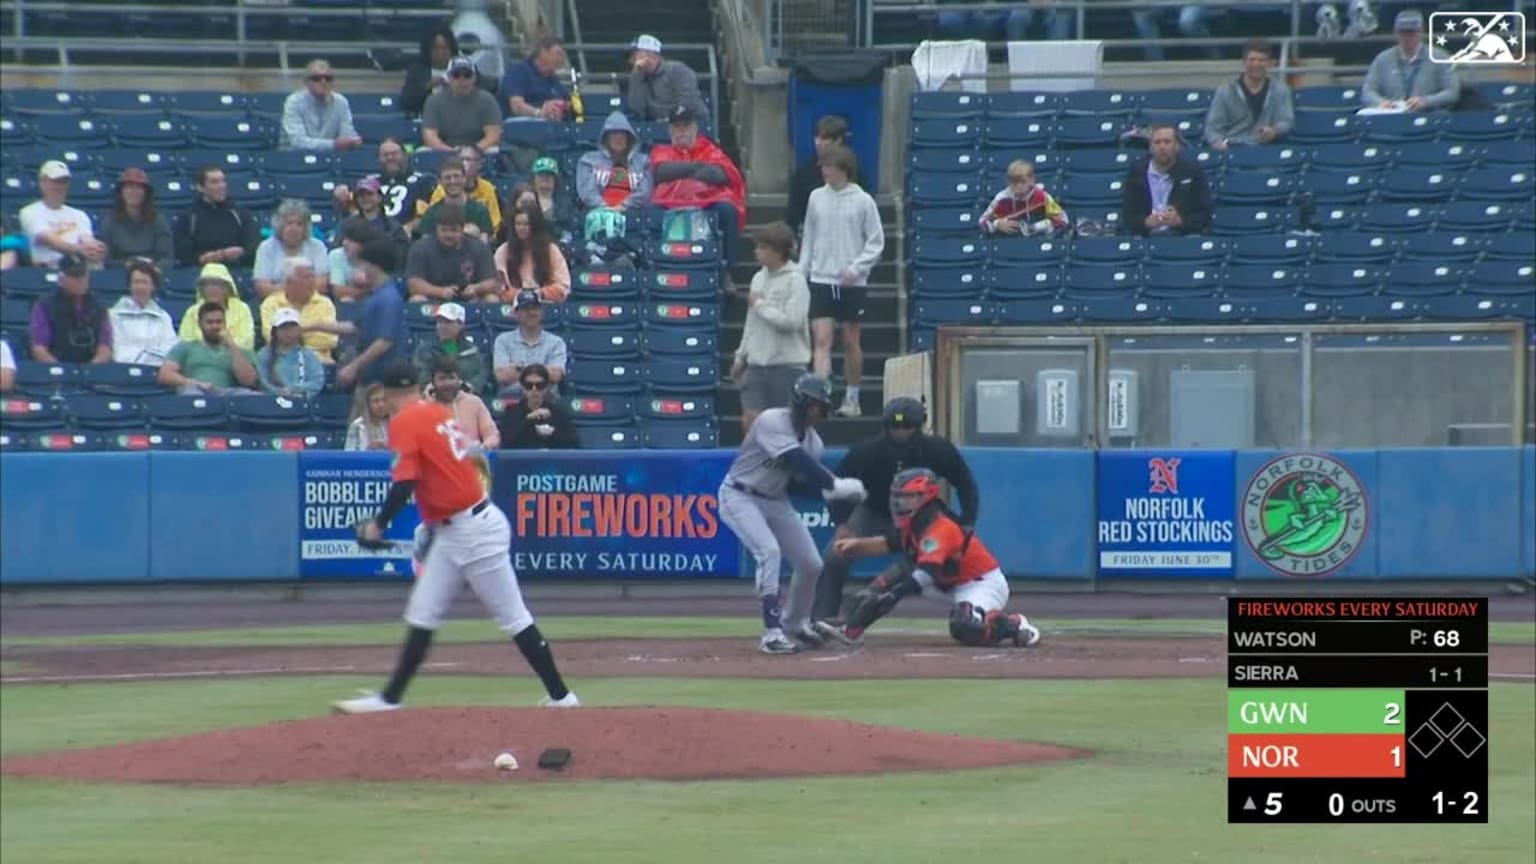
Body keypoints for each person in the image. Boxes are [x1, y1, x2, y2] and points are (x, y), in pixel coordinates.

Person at [332, 361, 580, 713]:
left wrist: (379, 524)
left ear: (385, 396)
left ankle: (562, 696)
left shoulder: (404, 421)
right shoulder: (433, 411)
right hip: (458, 526)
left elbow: (405, 483)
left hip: (472, 530)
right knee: (424, 611)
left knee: (513, 617)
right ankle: (389, 699)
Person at [716, 374, 867, 655]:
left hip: (775, 499)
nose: (819, 411)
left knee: (811, 563)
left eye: (821, 405)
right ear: (802, 403)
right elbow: (796, 460)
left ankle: (795, 623)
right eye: (815, 404)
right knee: (769, 552)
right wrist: (834, 484)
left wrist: (832, 495)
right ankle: (772, 634)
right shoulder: (772, 420)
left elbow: (800, 483)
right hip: (739, 495)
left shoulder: (814, 443)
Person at [818, 468, 1041, 650]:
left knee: (964, 626)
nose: (900, 503)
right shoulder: (914, 523)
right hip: (947, 582)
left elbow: (925, 575)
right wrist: (857, 547)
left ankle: (1013, 624)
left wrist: (892, 595)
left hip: (980, 583)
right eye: (899, 497)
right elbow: (890, 543)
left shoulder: (941, 528)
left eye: (908, 497)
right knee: (893, 577)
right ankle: (853, 629)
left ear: (926, 497)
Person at [811, 398, 980, 624]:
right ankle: (822, 619)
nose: (900, 432)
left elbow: (965, 484)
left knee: (955, 556)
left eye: (907, 427)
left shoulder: (938, 449)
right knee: (834, 555)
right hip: (875, 512)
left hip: (924, 517)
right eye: (895, 427)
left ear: (920, 426)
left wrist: (966, 522)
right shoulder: (866, 451)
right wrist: (841, 524)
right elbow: (835, 488)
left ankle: (973, 607)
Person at [799, 144, 885, 418]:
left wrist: (857, 268)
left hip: (852, 283)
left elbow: (876, 242)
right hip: (821, 279)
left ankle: (852, 398)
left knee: (850, 340)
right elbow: (809, 238)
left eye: (829, 167)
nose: (825, 172)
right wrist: (803, 271)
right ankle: (820, 397)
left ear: (843, 169)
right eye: (823, 167)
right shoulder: (815, 197)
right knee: (821, 340)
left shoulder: (863, 201)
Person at [730, 222, 810, 436]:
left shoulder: (797, 281)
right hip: (756, 365)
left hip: (787, 366)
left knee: (785, 426)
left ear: (779, 251)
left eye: (763, 248)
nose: (757, 252)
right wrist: (740, 357)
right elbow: (751, 323)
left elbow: (792, 321)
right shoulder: (757, 278)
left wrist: (760, 306)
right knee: (750, 420)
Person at [649, 106, 746, 269]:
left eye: (686, 126)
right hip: (669, 200)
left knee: (728, 210)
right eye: (677, 127)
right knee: (651, 211)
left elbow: (722, 175)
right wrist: (699, 168)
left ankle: (728, 271)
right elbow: (661, 172)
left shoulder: (710, 149)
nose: (682, 131)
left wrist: (681, 170)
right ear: (670, 131)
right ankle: (656, 266)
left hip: (708, 199)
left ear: (695, 128)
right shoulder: (662, 151)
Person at [1120, 124, 1213, 237]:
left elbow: (1204, 213)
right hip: (1145, 235)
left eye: (1167, 142)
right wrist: (1145, 222)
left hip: (1181, 235)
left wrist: (1180, 221)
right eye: (1157, 142)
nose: (1162, 147)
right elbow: (1128, 214)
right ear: (1150, 147)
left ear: (1177, 146)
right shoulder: (1137, 172)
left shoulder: (1192, 171)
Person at [336, 239, 407, 389]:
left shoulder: (389, 298)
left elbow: (384, 342)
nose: (361, 270)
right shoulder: (375, 295)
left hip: (384, 380)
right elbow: (353, 327)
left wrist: (353, 366)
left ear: (374, 267)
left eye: (363, 265)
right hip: (369, 376)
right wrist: (312, 326)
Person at [1204, 40, 1296, 150]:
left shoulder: (1280, 90)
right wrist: (1218, 143)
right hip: (1233, 146)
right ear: (1244, 63)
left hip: (1267, 148)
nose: (1256, 64)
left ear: (1269, 63)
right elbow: (1213, 128)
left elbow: (1286, 121)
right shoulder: (1225, 91)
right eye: (1252, 60)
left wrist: (1274, 131)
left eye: (1261, 60)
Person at [1362, 10, 1459, 112]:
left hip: (1429, 115)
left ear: (1421, 32)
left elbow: (1452, 92)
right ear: (1395, 33)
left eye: (1412, 32)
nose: (1407, 37)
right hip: (1392, 115)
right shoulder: (1382, 59)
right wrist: (1380, 102)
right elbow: (1368, 91)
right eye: (1403, 33)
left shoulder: (1439, 57)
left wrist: (1426, 101)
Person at [334, 139, 433, 236]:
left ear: (405, 155)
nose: (390, 158)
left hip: (403, 238)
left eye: (394, 153)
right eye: (385, 155)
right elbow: (352, 210)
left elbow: (426, 215)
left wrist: (408, 228)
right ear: (378, 159)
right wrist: (341, 198)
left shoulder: (424, 180)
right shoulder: (368, 181)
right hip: (367, 235)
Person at [158, 301, 260, 395]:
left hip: (227, 393)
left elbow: (249, 381)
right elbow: (165, 375)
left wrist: (232, 346)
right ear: (200, 324)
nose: (215, 326)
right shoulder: (186, 347)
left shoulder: (240, 351)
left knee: (253, 397)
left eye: (219, 322)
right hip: (195, 390)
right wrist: (194, 383)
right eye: (209, 322)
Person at [18, 161, 106, 269]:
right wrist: (79, 250)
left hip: (78, 267)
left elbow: (87, 238)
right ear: (42, 183)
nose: (59, 186)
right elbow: (47, 240)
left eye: (63, 182)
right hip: (48, 267)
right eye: (55, 181)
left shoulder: (79, 215)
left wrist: (95, 248)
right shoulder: (29, 212)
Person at [406, 202, 499, 303]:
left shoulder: (479, 247)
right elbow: (413, 284)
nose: (449, 234)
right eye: (444, 230)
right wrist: (440, 292)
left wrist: (477, 288)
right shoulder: (420, 248)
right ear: (436, 228)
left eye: (454, 230)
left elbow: (493, 282)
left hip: (470, 299)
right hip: (434, 298)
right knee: (417, 299)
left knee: (492, 299)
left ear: (462, 229)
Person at [28, 254, 111, 363]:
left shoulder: (98, 306)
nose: (80, 280)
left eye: (82, 275)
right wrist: (61, 370)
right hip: (57, 368)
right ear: (61, 278)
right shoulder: (45, 306)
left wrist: (92, 369)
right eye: (74, 276)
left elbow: (104, 345)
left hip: (93, 369)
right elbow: (39, 348)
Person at [260, 256, 343, 364]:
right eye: (306, 277)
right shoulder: (271, 303)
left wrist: (291, 336)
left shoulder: (324, 303)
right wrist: (309, 334)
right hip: (283, 362)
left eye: (313, 276)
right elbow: (271, 337)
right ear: (289, 282)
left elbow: (330, 340)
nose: (312, 281)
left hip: (320, 362)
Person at [174, 165, 260, 267]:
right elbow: (183, 253)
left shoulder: (240, 213)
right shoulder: (188, 217)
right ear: (200, 187)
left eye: (223, 181)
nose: (221, 186)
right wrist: (202, 259)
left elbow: (253, 243)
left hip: (237, 269)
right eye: (214, 182)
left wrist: (242, 252)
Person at [492, 290, 567, 397]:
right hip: (511, 401)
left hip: (547, 401)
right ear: (516, 314)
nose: (531, 313)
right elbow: (502, 376)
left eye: (535, 308)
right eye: (526, 309)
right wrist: (542, 372)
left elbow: (556, 375)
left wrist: (519, 369)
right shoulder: (503, 340)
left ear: (541, 312)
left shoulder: (556, 342)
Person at [97, 168, 174, 271]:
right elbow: (105, 260)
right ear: (121, 192)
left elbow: (167, 258)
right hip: (120, 272)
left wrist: (151, 268)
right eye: (129, 187)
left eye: (138, 188)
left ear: (146, 193)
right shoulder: (109, 222)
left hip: (152, 273)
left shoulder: (158, 220)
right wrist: (126, 264)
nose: (134, 192)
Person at [576, 110, 652, 213]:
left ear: (629, 138)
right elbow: (588, 192)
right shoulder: (588, 160)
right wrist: (604, 208)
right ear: (606, 138)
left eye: (622, 134)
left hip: (633, 214)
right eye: (614, 133)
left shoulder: (643, 162)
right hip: (598, 214)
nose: (618, 138)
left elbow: (644, 192)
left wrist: (624, 206)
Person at [494, 203, 570, 303]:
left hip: (545, 304)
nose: (522, 228)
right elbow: (500, 288)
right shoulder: (503, 251)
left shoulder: (551, 250)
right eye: (518, 224)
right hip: (513, 305)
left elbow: (563, 287)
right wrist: (521, 295)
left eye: (526, 224)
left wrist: (539, 293)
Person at [422, 57, 502, 153]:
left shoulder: (487, 100)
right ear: (448, 78)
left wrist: (470, 151)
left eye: (467, 75)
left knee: (493, 150)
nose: (462, 79)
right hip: (444, 152)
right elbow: (430, 137)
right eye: (456, 75)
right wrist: (451, 152)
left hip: (479, 151)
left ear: (474, 78)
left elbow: (493, 136)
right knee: (423, 151)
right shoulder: (434, 101)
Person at [253, 199, 330, 298]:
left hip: (311, 301)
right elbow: (262, 287)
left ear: (306, 228)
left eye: (299, 224)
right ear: (280, 225)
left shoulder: (317, 246)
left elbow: (321, 284)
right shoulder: (266, 247)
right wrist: (297, 290)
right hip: (275, 303)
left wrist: (290, 290)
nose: (294, 228)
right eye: (289, 223)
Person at [419, 146, 502, 237]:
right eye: (447, 177)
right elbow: (425, 246)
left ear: (464, 178)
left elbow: (484, 244)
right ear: (440, 181)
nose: (452, 181)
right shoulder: (431, 213)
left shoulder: (480, 211)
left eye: (456, 176)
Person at [108, 258, 178, 366]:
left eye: (145, 282)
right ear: (129, 285)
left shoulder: (163, 317)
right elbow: (117, 348)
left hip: (157, 371)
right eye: (136, 282)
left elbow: (170, 348)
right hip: (123, 370)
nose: (140, 287)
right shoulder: (113, 315)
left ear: (153, 286)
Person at [281, 59, 362, 151]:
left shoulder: (341, 102)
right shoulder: (294, 102)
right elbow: (297, 142)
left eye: (328, 79)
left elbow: (347, 134)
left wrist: (353, 141)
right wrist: (334, 144)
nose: (323, 82)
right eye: (316, 79)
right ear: (306, 81)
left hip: (331, 158)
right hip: (295, 158)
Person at [786, 115, 847, 237]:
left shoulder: (854, 172)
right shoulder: (803, 174)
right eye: (817, 137)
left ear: (838, 141)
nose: (818, 143)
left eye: (824, 138)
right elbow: (792, 213)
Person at [625, 34, 706, 123]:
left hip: (689, 124)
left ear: (649, 55)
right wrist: (636, 76)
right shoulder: (638, 76)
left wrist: (671, 120)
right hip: (657, 127)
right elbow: (637, 109)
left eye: (634, 55)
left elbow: (688, 102)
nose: (631, 61)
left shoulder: (677, 69)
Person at [413, 301, 489, 396]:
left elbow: (480, 374)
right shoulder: (426, 349)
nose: (442, 326)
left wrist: (468, 387)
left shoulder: (471, 350)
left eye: (448, 322)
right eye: (439, 321)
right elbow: (422, 376)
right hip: (434, 397)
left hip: (466, 397)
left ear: (461, 324)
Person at [177, 262, 255, 351]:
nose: (210, 288)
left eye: (215, 284)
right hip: (198, 360)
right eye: (206, 284)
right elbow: (183, 344)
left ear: (227, 288)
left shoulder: (242, 309)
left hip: (233, 359)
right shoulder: (192, 311)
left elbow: (246, 343)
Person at [499, 362, 578, 449]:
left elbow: (573, 444)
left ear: (546, 387)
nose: (534, 390)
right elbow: (505, 441)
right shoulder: (512, 411)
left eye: (539, 385)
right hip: (521, 460)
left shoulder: (558, 412)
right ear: (523, 387)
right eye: (529, 385)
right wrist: (529, 418)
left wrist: (554, 433)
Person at [979, 160, 1069, 236]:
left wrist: (1038, 227)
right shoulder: (1001, 199)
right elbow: (982, 222)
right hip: (1008, 241)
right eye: (1014, 182)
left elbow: (1063, 221)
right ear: (1008, 182)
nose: (1019, 186)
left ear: (1032, 180)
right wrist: (997, 224)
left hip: (1037, 241)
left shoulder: (1042, 197)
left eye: (1023, 182)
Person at [425, 355, 499, 449]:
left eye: (451, 378)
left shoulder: (474, 402)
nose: (448, 383)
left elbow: (492, 434)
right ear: (433, 382)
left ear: (459, 380)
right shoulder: (423, 407)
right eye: (442, 379)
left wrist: (485, 447)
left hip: (471, 458)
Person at [256, 307, 326, 398]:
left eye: (292, 327)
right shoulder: (264, 354)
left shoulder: (308, 355)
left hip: (302, 403)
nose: (288, 332)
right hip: (270, 403)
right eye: (283, 328)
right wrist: (279, 392)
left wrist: (294, 389)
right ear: (275, 331)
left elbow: (317, 381)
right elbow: (262, 382)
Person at [502, 36, 571, 121]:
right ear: (543, 52)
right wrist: (540, 113)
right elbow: (517, 107)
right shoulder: (518, 71)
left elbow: (567, 101)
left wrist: (561, 104)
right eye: (558, 54)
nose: (561, 59)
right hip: (520, 125)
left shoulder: (553, 79)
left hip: (551, 125)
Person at [401, 24, 459, 117]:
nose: (440, 53)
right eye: (436, 49)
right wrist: (428, 86)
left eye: (445, 48)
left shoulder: (463, 68)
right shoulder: (417, 72)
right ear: (428, 50)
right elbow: (407, 100)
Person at [345, 382, 392, 450]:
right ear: (368, 404)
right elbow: (349, 454)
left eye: (384, 400)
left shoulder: (393, 424)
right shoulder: (357, 426)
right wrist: (368, 449)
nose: (381, 404)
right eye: (376, 401)